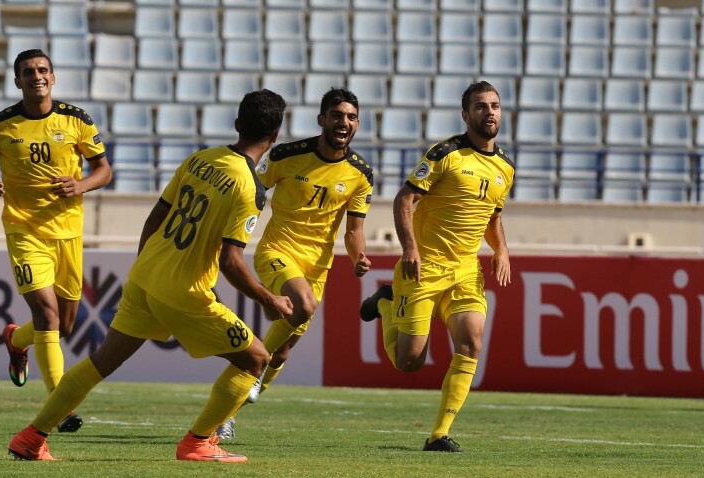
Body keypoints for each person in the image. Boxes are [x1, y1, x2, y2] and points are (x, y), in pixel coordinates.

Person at [7, 89, 294, 462]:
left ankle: (31, 438)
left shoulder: (200, 159)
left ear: (237, 124)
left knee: (102, 360)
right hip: (184, 291)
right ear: (276, 137)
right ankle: (198, 443)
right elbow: (231, 261)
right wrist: (269, 299)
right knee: (257, 359)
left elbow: (155, 217)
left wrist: (148, 270)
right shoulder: (250, 188)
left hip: (145, 275)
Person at [359, 81, 514, 452]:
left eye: (494, 105)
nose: (489, 112)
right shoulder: (445, 154)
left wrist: (502, 250)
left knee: (471, 343)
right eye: (480, 106)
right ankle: (385, 301)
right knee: (408, 362)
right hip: (424, 268)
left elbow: (492, 218)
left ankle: (438, 435)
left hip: (465, 270)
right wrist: (409, 248)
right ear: (466, 115)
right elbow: (404, 199)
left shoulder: (505, 167)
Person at [216, 87, 373, 439]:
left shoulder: (361, 173)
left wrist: (357, 255)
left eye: (350, 117)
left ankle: (226, 414)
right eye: (336, 115)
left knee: (282, 351)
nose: (343, 122)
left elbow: (354, 230)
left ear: (357, 124)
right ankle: (253, 375)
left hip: (318, 267)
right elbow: (251, 191)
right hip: (278, 251)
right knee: (302, 305)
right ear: (322, 120)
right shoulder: (286, 155)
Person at [0, 49, 113, 433]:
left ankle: (16, 340)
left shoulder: (76, 120)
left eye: (42, 70)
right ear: (17, 81)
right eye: (27, 72)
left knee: (64, 326)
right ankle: (60, 404)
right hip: (24, 230)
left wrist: (80, 183)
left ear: (53, 78)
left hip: (68, 233)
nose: (36, 76)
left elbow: (103, 169)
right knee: (48, 316)